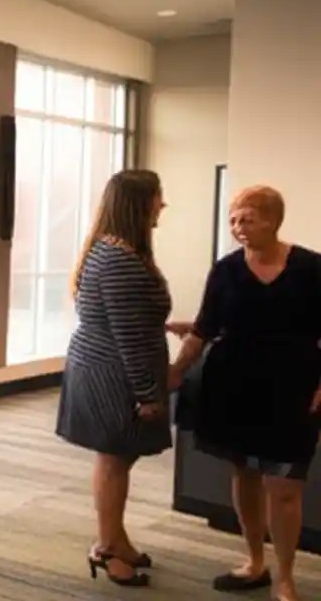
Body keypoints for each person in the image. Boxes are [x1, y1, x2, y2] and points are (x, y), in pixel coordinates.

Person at [168, 186, 321, 601]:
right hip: (233, 385)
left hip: (294, 388)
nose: (238, 227)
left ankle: (285, 577)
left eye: (248, 218)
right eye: (234, 220)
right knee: (245, 475)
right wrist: (177, 371)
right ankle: (254, 561)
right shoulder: (226, 270)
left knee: (284, 486)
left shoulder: (311, 267)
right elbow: (204, 328)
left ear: (273, 220)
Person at [54, 169, 172, 588]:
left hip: (102, 367)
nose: (163, 204)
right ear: (139, 204)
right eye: (159, 197)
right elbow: (128, 336)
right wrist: (148, 394)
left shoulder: (110, 250)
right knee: (114, 459)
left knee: (118, 458)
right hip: (114, 376)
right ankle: (106, 549)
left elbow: (126, 319)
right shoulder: (119, 258)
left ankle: (117, 539)